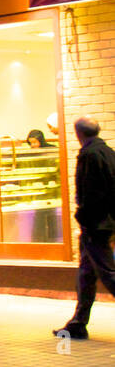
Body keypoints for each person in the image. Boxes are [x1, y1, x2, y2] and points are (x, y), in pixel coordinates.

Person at [54, 117, 115, 340]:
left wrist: (83, 217)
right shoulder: (108, 151)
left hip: (95, 225)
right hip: (103, 222)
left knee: (108, 273)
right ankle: (78, 323)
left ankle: (78, 323)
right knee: (86, 274)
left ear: (78, 133)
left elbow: (90, 193)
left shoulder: (89, 155)